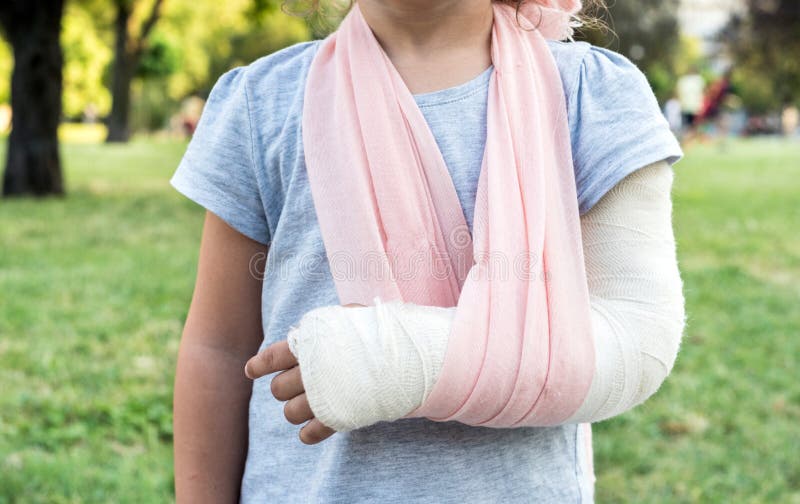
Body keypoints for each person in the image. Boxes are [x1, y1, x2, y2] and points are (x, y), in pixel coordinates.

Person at [169, 0, 686, 502]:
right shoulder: (263, 102)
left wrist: (382, 357)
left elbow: (635, 335)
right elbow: (218, 348)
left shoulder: (592, 95)